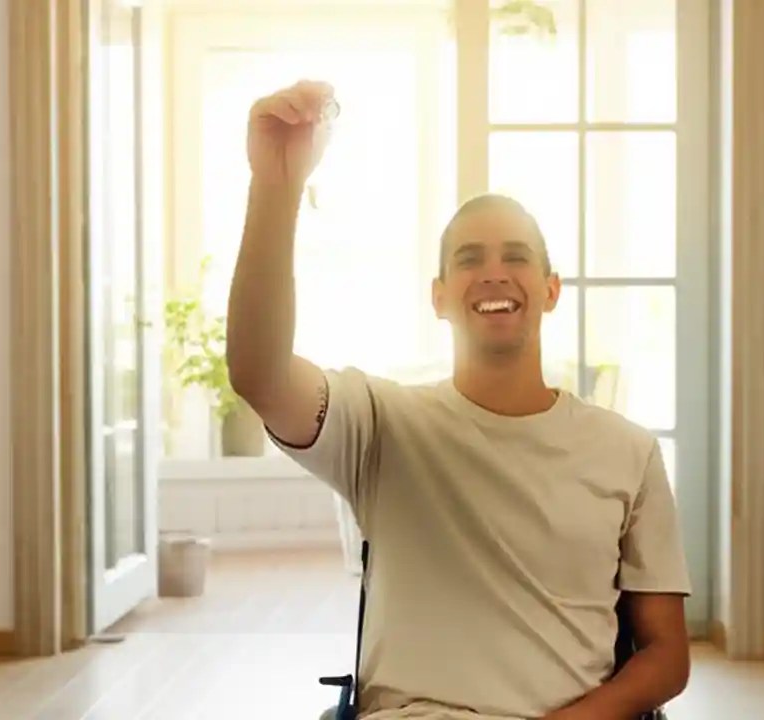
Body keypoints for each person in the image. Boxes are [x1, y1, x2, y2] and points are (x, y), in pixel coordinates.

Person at [225, 79, 692, 720]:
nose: (494, 272)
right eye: (470, 259)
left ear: (551, 289)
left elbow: (667, 656)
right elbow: (259, 372)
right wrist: (275, 185)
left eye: (516, 257)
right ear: (440, 295)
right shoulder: (381, 422)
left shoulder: (628, 451)